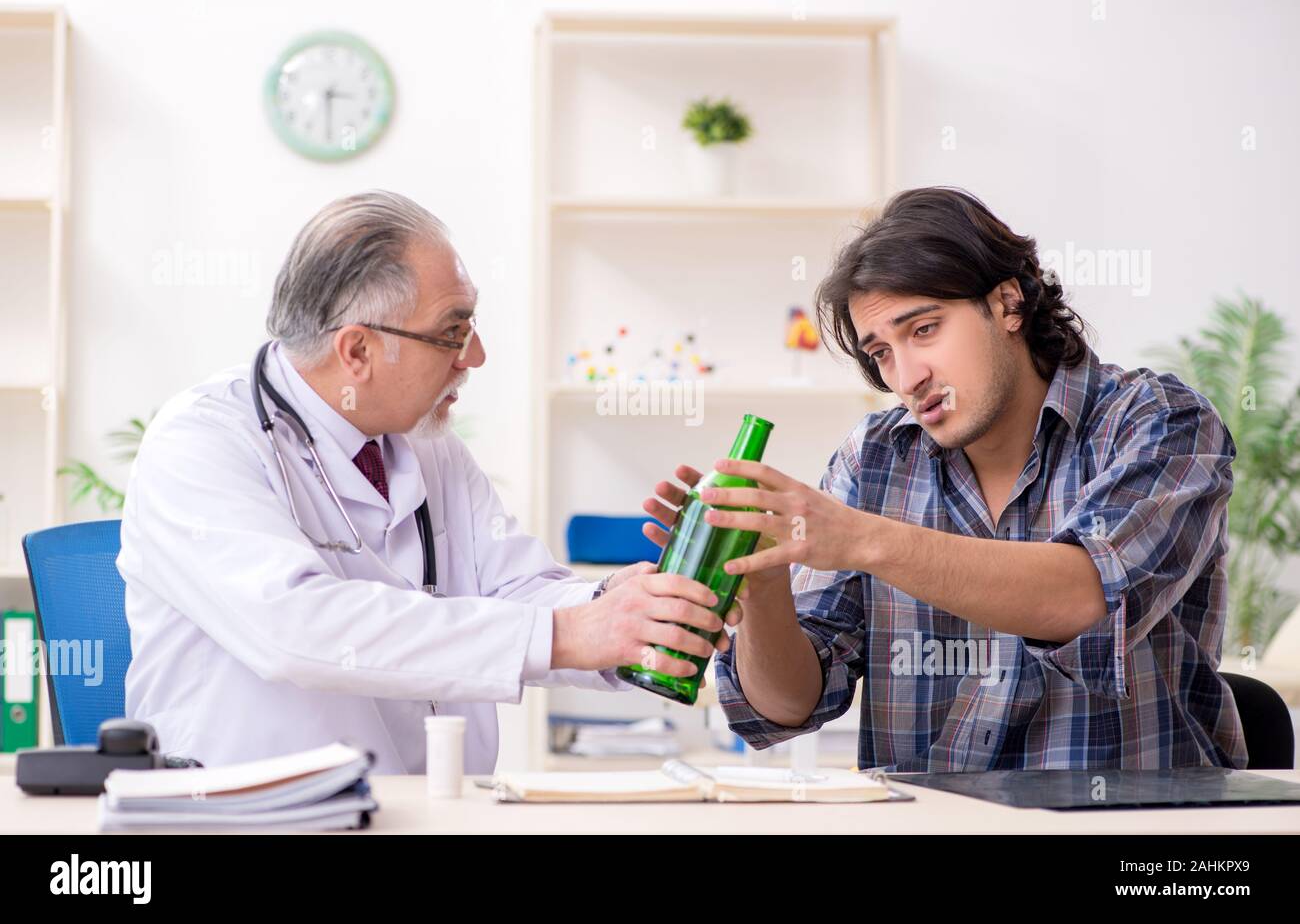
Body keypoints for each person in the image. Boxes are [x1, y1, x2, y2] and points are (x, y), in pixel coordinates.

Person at [120, 190, 736, 774]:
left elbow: (517, 589)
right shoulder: (200, 442)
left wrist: (620, 611)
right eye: (452, 331)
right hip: (248, 817)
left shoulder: (428, 446)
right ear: (358, 350)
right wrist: (569, 634)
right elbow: (294, 627)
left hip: (427, 808)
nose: (475, 356)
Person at [644, 187, 1247, 771]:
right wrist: (766, 584)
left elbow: (1085, 599)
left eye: (924, 329)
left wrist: (862, 539)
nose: (907, 376)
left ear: (1009, 303)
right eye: (881, 352)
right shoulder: (873, 459)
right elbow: (787, 707)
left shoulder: (1160, 421)